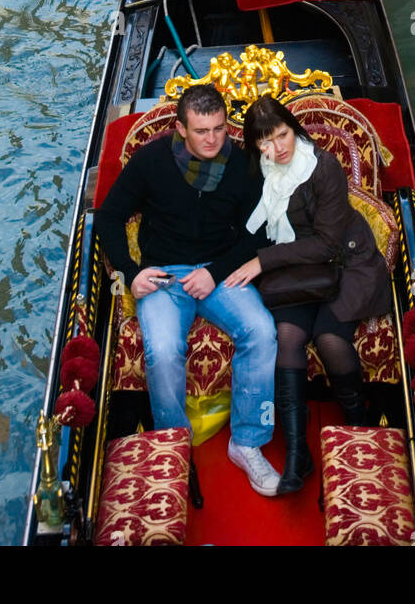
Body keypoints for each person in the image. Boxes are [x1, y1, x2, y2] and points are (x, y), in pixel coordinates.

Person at [94, 83, 281, 496]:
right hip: (164, 275)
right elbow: (108, 218)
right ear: (181, 128)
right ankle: (171, 447)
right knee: (162, 349)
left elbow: (262, 232)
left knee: (262, 331)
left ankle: (247, 443)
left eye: (219, 128)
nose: (213, 139)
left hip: (219, 272)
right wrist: (131, 272)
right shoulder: (151, 161)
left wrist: (214, 272)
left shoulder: (245, 165)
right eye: (201, 131)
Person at [226, 95, 391, 494]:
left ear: (293, 129)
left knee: (330, 338)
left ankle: (360, 427)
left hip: (346, 261)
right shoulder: (258, 170)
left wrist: (263, 262)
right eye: (266, 142)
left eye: (282, 135)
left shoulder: (324, 167)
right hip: (300, 272)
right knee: (287, 338)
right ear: (256, 146)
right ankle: (299, 452)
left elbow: (328, 243)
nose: (278, 148)